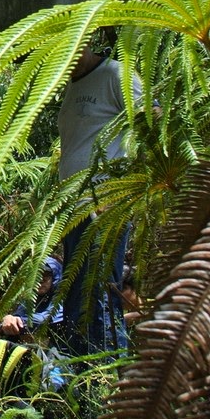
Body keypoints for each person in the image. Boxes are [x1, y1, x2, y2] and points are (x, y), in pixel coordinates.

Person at [57, 44, 143, 357]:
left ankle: (108, 371)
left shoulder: (115, 75)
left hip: (104, 207)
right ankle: (81, 371)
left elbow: (151, 120)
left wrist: (125, 188)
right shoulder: (72, 86)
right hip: (75, 210)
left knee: (101, 293)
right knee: (77, 295)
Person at [0, 256, 64, 342]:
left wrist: (0, 329)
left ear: (55, 278)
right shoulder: (30, 298)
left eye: (45, 275)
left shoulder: (63, 298)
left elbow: (46, 319)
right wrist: (9, 320)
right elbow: (18, 315)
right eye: (36, 275)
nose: (40, 279)